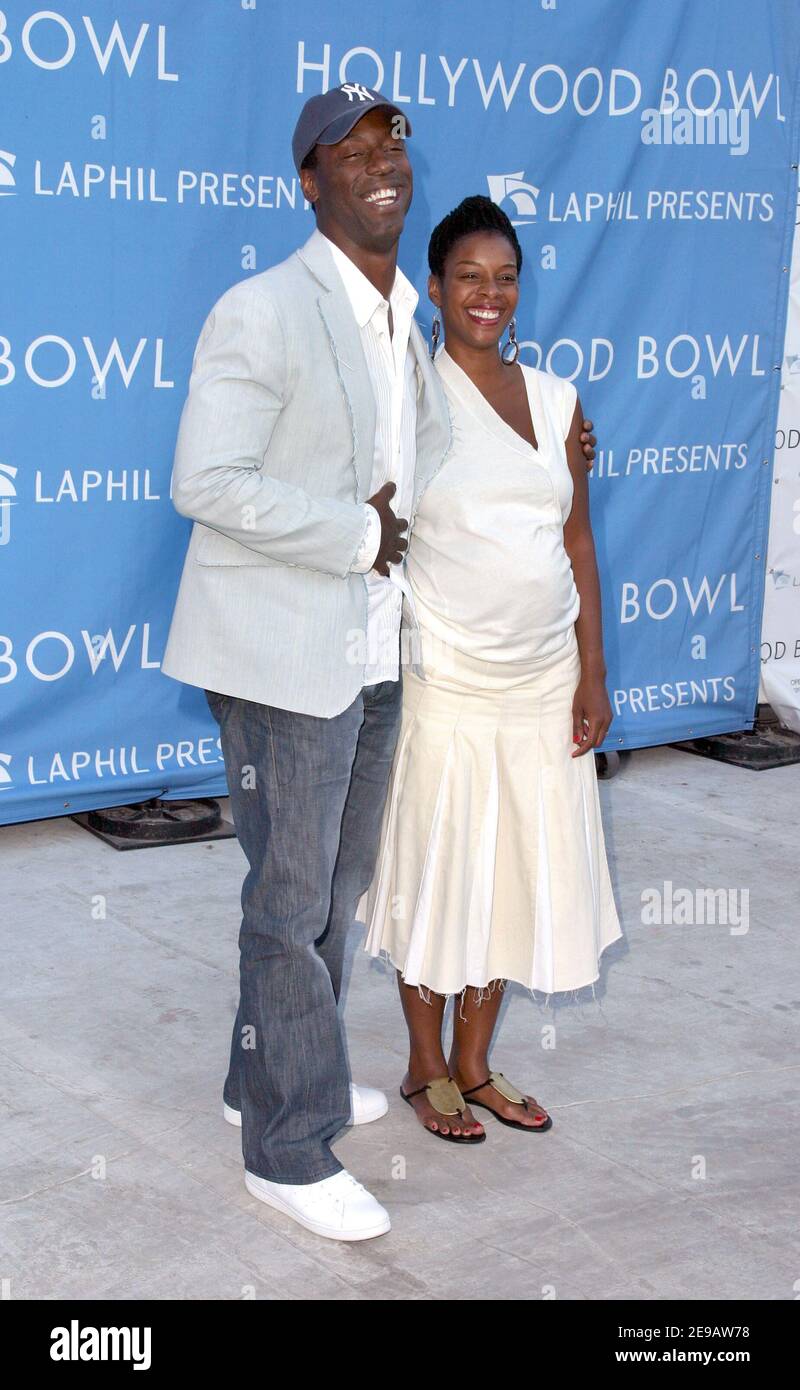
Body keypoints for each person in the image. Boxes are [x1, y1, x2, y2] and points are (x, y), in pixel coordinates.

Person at [162, 88, 598, 1239]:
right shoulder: (262, 309)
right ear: (309, 183)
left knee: (326, 898)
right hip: (280, 653)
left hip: (370, 657)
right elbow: (205, 481)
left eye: (389, 145)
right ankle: (288, 1147)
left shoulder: (399, 319)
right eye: (347, 152)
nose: (376, 164)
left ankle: (259, 1072)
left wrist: (557, 431)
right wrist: (356, 534)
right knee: (290, 898)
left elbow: (451, 450)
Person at [362, 196, 623, 1143]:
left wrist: (594, 671)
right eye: (468, 276)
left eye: (504, 277)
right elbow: (373, 526)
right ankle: (425, 1063)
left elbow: (579, 542)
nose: (488, 294)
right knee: (442, 866)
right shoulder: (409, 400)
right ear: (434, 288)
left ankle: (476, 1065)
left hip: (546, 677)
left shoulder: (560, 402)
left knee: (512, 866)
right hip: (448, 676)